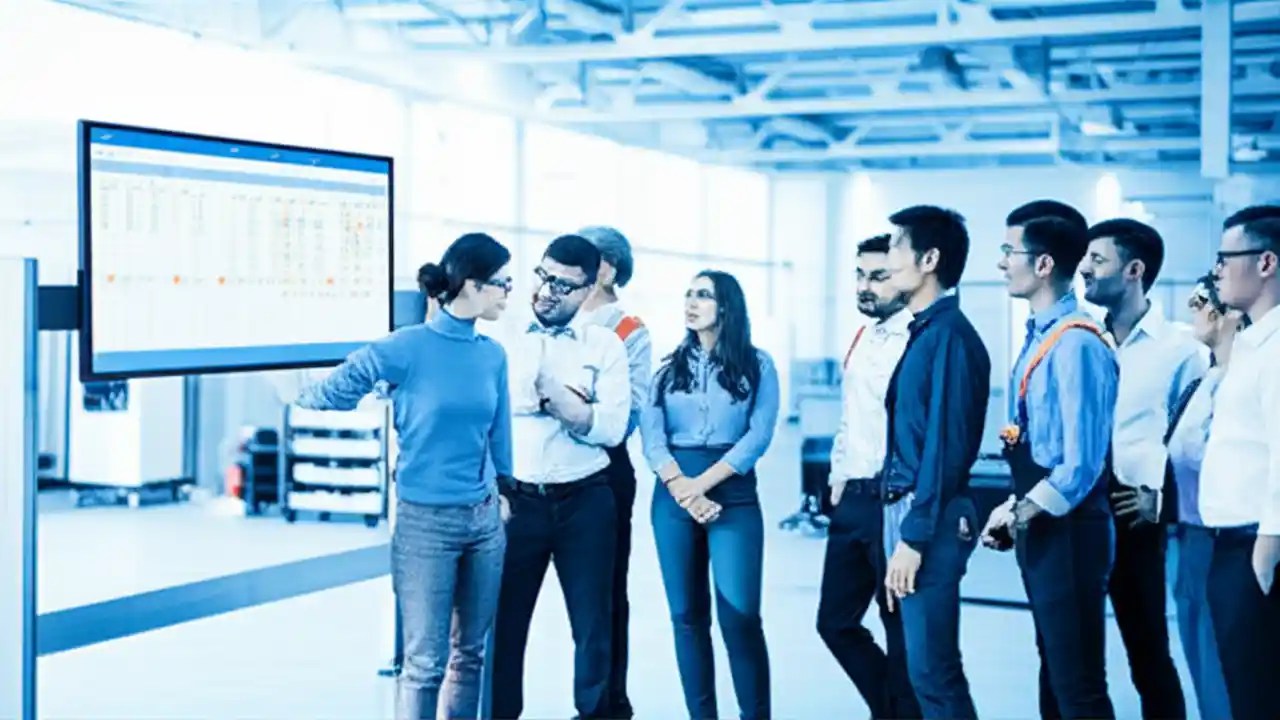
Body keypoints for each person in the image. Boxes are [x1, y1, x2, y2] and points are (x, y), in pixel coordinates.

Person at [287, 233, 515, 720]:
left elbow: (499, 432)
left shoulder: (492, 354)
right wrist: (297, 393)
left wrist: (506, 491)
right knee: (424, 664)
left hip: (484, 521)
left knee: (471, 654)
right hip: (425, 524)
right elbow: (336, 389)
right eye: (502, 283)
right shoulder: (405, 347)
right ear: (472, 285)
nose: (507, 293)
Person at [983, 206, 1117, 719]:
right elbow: (1048, 447)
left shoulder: (1076, 343)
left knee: (1077, 681)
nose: (1001, 264)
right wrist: (1016, 507)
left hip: (1071, 531)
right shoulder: (1040, 336)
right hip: (1045, 524)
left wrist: (1022, 512)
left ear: (1042, 265)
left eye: (1007, 253)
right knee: (1054, 671)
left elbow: (1080, 465)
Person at [490, 234, 631, 720]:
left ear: (589, 290)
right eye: (544, 277)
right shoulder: (500, 335)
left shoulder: (606, 345)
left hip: (586, 501)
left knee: (594, 625)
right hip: (515, 501)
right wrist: (573, 407)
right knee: (503, 625)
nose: (548, 292)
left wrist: (548, 398)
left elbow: (612, 430)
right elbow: (492, 410)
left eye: (565, 286)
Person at [641, 270, 780, 720]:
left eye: (704, 295)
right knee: (687, 617)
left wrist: (699, 486)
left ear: (727, 307)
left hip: (733, 497)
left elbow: (758, 436)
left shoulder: (759, 365)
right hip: (672, 496)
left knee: (740, 619)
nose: (692, 302)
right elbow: (652, 437)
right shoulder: (665, 371)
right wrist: (682, 488)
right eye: (689, 294)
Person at [1078, 218, 1200, 719]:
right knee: (1068, 654)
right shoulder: (1080, 338)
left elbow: (1194, 440)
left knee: (1148, 652)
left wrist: (1164, 500)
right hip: (1076, 509)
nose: (1083, 268)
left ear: (1134, 270)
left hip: (1133, 516)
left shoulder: (1182, 348)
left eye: (1097, 260)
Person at [879, 206, 988, 720]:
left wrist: (913, 537)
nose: (888, 258)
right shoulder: (926, 330)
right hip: (911, 513)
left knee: (933, 672)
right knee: (924, 669)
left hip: (929, 519)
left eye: (897, 246)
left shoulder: (948, 336)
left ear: (929, 259)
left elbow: (942, 449)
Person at [817, 233, 921, 720]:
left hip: (893, 499)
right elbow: (850, 414)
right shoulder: (862, 336)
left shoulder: (917, 340)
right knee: (835, 622)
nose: (865, 285)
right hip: (853, 498)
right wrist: (838, 474)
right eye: (860, 274)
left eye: (878, 276)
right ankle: (899, 712)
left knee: (896, 622)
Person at [1200, 204, 1280, 720]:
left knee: (1259, 695)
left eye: (1227, 259)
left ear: (1267, 263)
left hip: (1257, 544)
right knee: (1244, 688)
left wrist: (1267, 548)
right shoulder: (1250, 345)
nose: (1218, 271)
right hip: (1232, 542)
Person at [576, 225, 652, 719]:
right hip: (546, 471)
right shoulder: (547, 319)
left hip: (605, 472)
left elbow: (629, 412)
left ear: (605, 269)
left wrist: (576, 412)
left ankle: (606, 705)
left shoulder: (629, 331)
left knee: (603, 596)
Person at [1165, 273, 1245, 720]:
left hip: (1231, 539)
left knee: (1228, 668)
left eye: (1199, 300)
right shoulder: (1205, 378)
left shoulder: (1247, 382)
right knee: (1202, 660)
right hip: (1191, 537)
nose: (1192, 309)